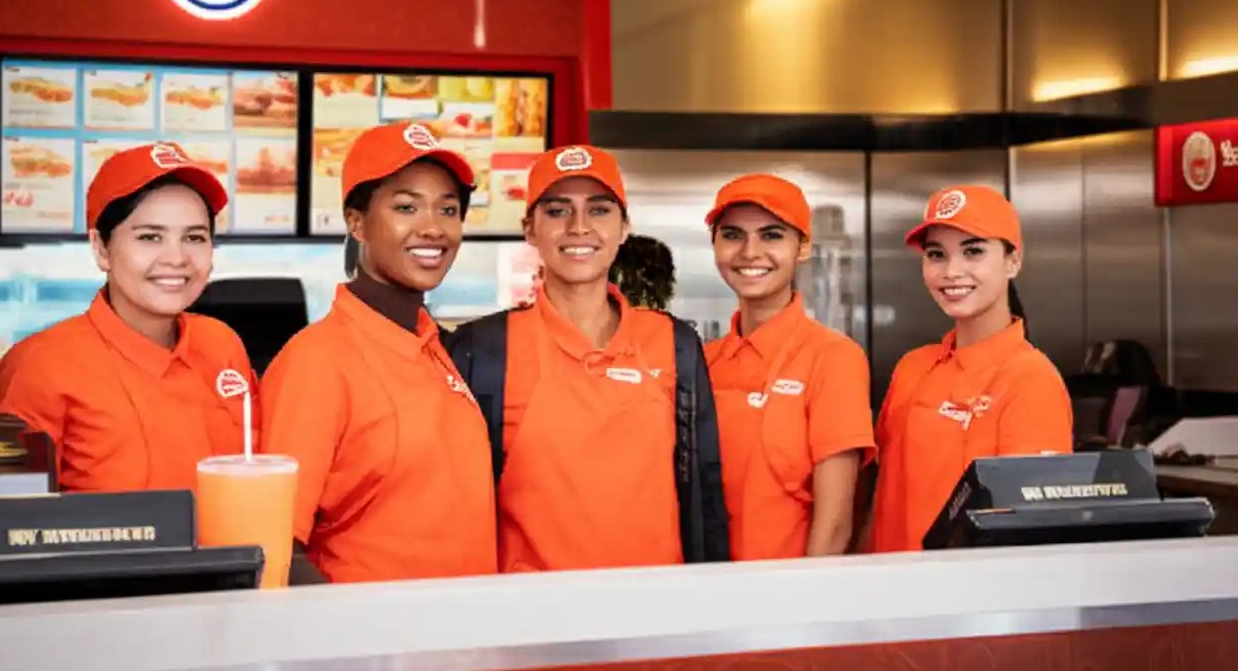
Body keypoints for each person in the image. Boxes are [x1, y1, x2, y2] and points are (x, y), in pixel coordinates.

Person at [445, 144, 730, 572]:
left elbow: (703, 495)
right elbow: (459, 508)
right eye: (558, 211)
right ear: (530, 229)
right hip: (531, 620)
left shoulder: (674, 343)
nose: (579, 227)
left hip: (656, 616)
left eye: (599, 211)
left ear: (624, 227)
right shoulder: (483, 348)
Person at [259, 122, 496, 583]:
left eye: (447, 209)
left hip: (463, 641)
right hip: (376, 645)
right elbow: (275, 546)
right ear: (356, 221)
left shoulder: (437, 348)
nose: (433, 228)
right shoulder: (317, 361)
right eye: (406, 207)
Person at [0, 142, 254, 492]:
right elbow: (3, 523)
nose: (176, 258)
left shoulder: (222, 345)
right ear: (101, 248)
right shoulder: (39, 366)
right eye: (150, 237)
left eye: (194, 237)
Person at [867, 185, 1073, 553]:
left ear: (1013, 261)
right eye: (936, 254)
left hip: (969, 600)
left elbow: (1030, 529)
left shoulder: (1031, 379)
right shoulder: (912, 368)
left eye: (973, 251)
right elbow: (878, 496)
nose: (952, 271)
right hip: (887, 593)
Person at [703, 174, 875, 560]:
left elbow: (834, 525)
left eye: (771, 235)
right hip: (706, 596)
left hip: (790, 601)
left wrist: (805, 609)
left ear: (803, 247)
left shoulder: (832, 358)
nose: (750, 252)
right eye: (732, 235)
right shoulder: (703, 363)